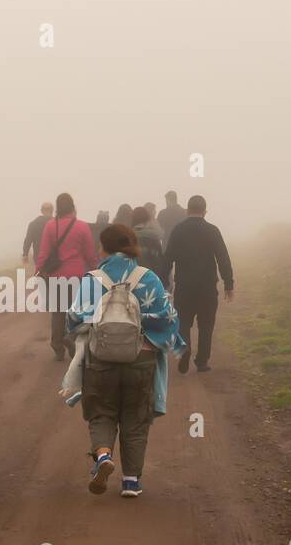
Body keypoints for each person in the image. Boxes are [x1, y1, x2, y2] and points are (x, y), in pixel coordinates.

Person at [65, 224, 185, 498]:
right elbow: (168, 318)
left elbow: (73, 318)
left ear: (104, 247)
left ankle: (104, 457)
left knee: (101, 412)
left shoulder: (93, 279)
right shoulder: (149, 277)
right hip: (140, 359)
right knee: (136, 417)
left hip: (100, 358)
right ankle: (131, 481)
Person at [164, 194, 234, 374]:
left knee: (183, 322)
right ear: (205, 211)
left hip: (184, 286)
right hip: (207, 287)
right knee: (206, 324)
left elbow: (167, 258)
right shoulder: (212, 230)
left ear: (187, 211)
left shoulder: (178, 230)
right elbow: (223, 258)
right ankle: (202, 362)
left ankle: (184, 349)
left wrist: (163, 281)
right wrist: (228, 283)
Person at [35, 193, 97, 361]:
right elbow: (90, 253)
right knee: (77, 312)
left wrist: (38, 270)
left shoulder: (50, 226)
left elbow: (44, 252)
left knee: (58, 313)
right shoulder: (82, 227)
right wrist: (95, 268)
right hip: (77, 276)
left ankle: (57, 346)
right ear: (72, 207)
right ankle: (72, 338)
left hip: (56, 277)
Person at [130, 205, 165, 276]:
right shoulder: (154, 237)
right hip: (153, 277)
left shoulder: (128, 238)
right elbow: (160, 260)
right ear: (147, 219)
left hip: (134, 278)